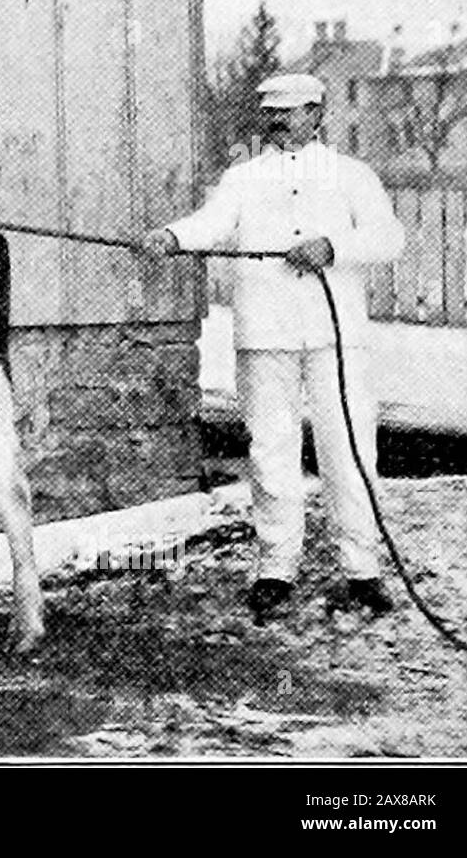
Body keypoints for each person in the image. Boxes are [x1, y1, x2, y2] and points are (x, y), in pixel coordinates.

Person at [140, 73, 405, 621]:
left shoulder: (352, 176)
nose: (281, 121)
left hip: (337, 336)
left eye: (293, 111)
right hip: (264, 333)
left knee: (348, 448)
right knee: (270, 452)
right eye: (273, 112)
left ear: (318, 114)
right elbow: (212, 223)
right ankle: (276, 567)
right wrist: (172, 237)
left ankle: (363, 569)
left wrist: (333, 246)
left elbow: (389, 237)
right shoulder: (244, 177)